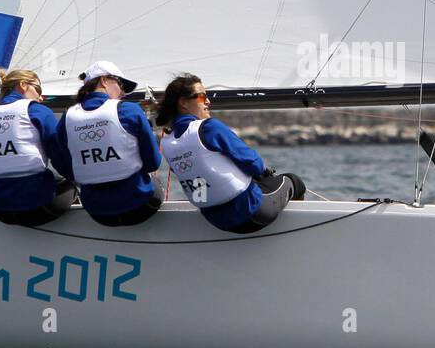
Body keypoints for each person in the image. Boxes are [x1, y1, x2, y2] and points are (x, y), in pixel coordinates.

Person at [156, 73, 305, 234]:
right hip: (252, 214)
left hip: (217, 221)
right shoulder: (208, 127)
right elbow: (254, 163)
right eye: (201, 97)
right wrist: (266, 171)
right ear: (183, 103)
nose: (208, 101)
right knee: (293, 181)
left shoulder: (167, 141)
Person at [55, 60, 163, 227]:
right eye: (120, 84)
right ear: (104, 80)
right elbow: (153, 162)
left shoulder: (67, 117)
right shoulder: (128, 110)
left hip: (97, 212)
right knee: (154, 182)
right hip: (139, 207)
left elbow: (64, 167)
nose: (123, 92)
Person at [0, 68, 76, 226]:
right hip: (39, 208)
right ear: (22, 85)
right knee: (70, 186)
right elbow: (61, 160)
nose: (41, 97)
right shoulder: (38, 111)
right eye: (38, 89)